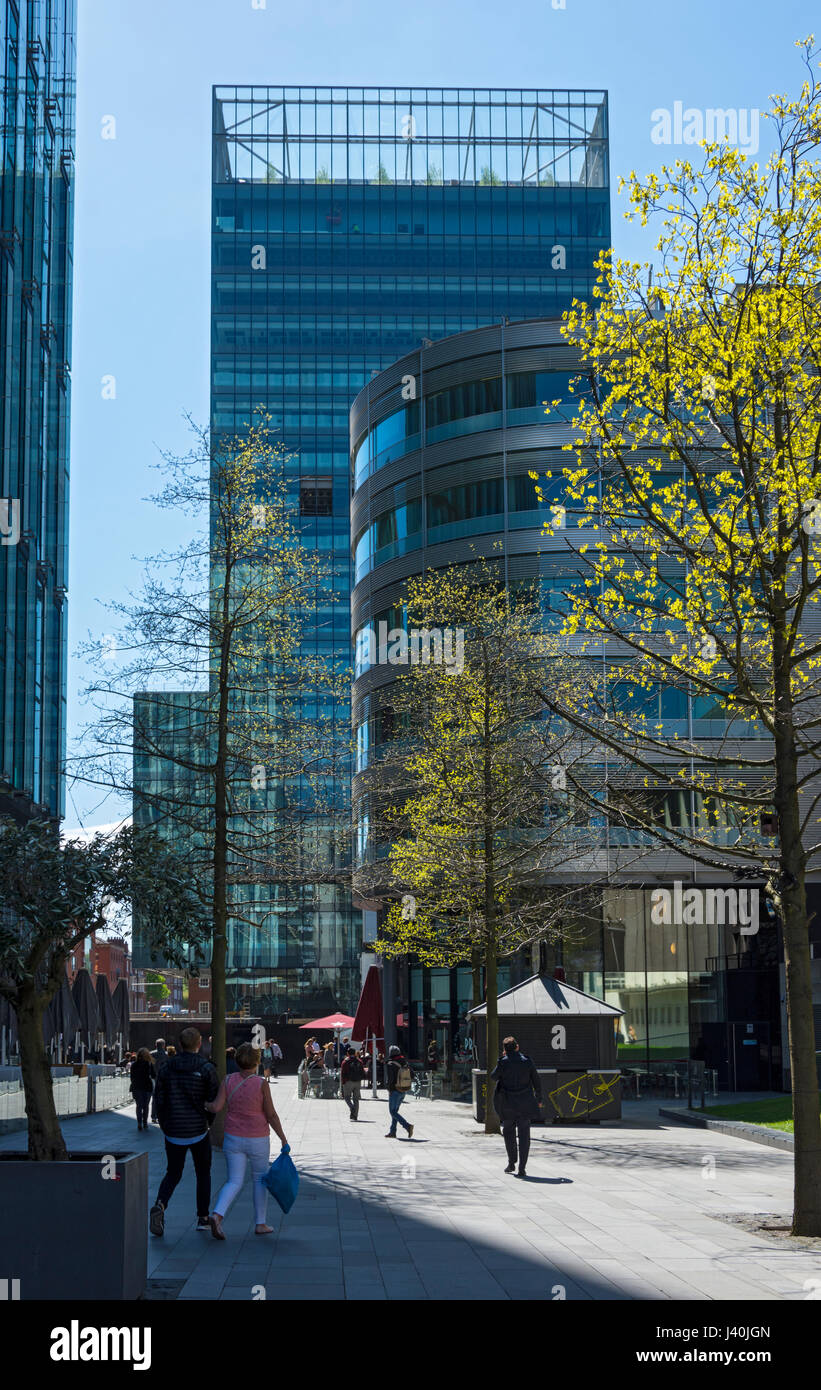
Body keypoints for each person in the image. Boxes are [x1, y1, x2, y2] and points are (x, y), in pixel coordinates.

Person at [205, 1041, 288, 1239]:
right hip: (258, 1138)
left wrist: (204, 1103)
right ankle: (260, 1223)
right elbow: (271, 1114)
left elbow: (216, 1107)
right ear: (257, 1061)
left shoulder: (228, 1080)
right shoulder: (261, 1084)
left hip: (233, 1137)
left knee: (234, 1180)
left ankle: (217, 1215)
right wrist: (283, 1139)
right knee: (260, 1179)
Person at [149, 1027, 219, 1237]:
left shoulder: (167, 1067)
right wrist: (208, 1122)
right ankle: (203, 1217)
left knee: (173, 1172)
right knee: (203, 1173)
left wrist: (164, 1123)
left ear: (180, 1045)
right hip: (198, 1128)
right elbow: (212, 1100)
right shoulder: (206, 1068)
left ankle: (160, 1204)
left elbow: (159, 1097)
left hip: (174, 1129)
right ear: (199, 1044)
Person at [490, 1036, 542, 1179]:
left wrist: (502, 1061)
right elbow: (536, 1080)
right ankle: (522, 1168)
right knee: (525, 1135)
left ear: (504, 1050)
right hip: (525, 1103)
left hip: (507, 1104)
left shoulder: (503, 1062)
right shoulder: (527, 1061)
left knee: (508, 1133)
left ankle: (511, 1162)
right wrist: (539, 1098)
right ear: (517, 1047)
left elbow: (493, 1077)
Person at [385, 1045, 414, 1140]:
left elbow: (390, 1079)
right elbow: (412, 1074)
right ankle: (392, 1132)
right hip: (404, 1089)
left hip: (395, 1090)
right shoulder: (405, 1062)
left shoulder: (391, 1064)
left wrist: (389, 1090)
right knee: (395, 1112)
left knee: (392, 1111)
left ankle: (407, 1126)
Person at [130, 1047, 155, 1130]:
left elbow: (132, 1077)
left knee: (139, 1106)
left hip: (137, 1087)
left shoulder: (134, 1065)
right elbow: (153, 1075)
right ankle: (145, 1123)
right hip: (147, 1087)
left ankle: (139, 1123)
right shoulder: (148, 1064)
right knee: (146, 1106)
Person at [340, 1047, 364, 1121]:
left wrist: (343, 1082)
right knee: (356, 1099)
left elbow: (343, 1073)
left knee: (347, 1097)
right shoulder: (359, 1061)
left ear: (348, 1053)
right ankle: (355, 1115)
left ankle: (352, 1108)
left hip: (348, 1082)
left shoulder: (345, 1061)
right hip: (358, 1082)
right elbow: (362, 1072)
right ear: (355, 1053)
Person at [149, 1038, 168, 1124]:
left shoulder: (151, 1054)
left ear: (156, 1045)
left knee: (154, 1098)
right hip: (164, 1079)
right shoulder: (167, 1055)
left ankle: (153, 1116)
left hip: (153, 1078)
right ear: (164, 1045)